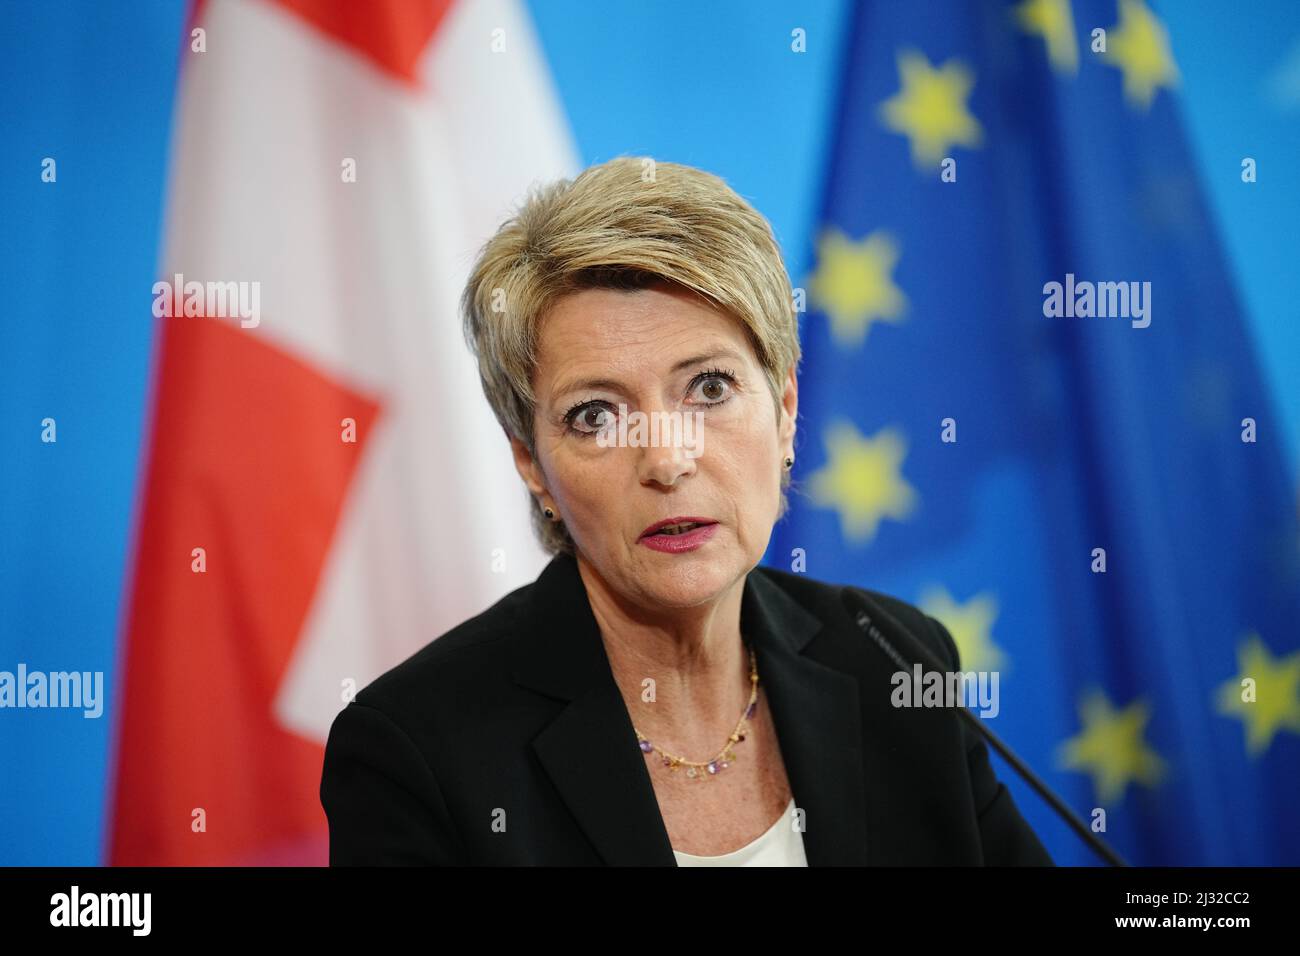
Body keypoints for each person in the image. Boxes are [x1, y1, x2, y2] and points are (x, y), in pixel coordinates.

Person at [319, 156, 1053, 866]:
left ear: (786, 408)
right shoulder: (417, 753)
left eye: (707, 389)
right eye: (596, 416)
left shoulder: (892, 658)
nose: (667, 460)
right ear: (530, 464)